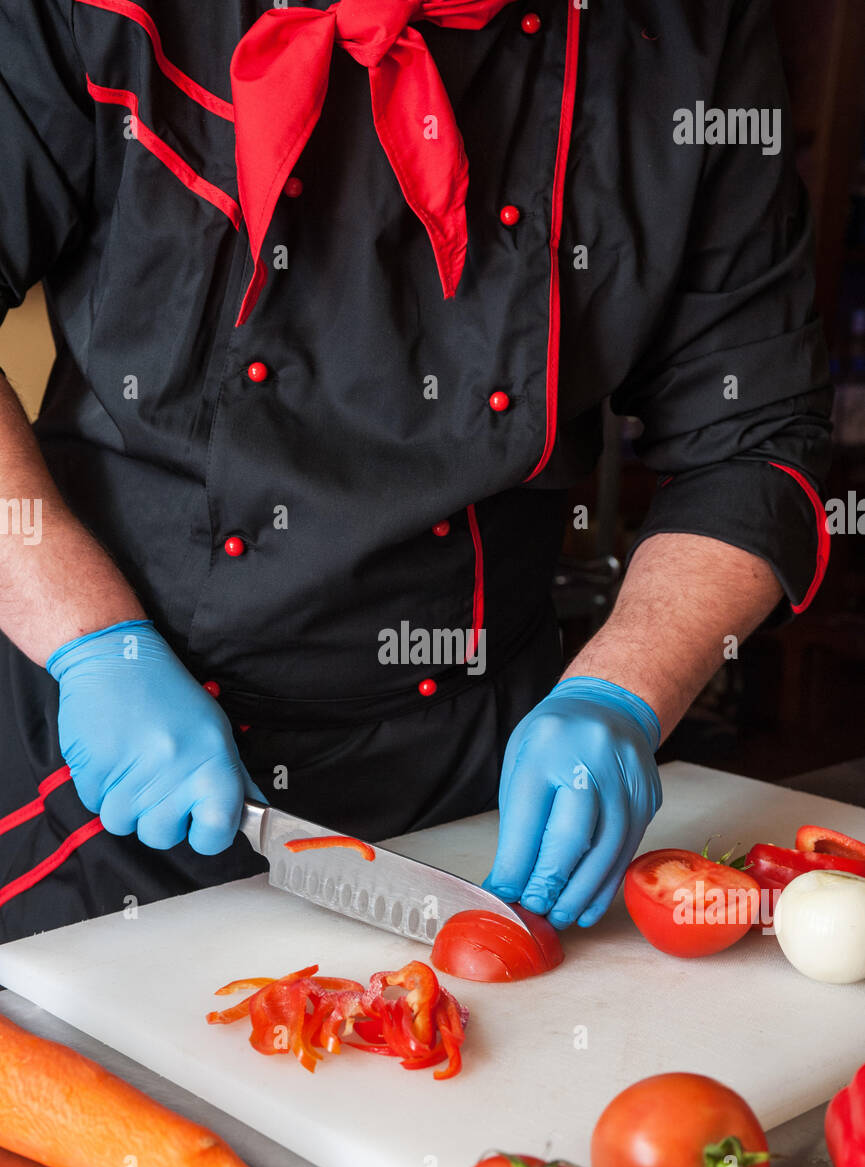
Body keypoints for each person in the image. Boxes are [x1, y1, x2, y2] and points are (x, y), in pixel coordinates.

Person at [0, 0, 831, 941]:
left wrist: (622, 692)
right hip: (103, 745)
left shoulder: (687, 36)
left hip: (486, 794)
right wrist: (88, 645)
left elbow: (753, 432)